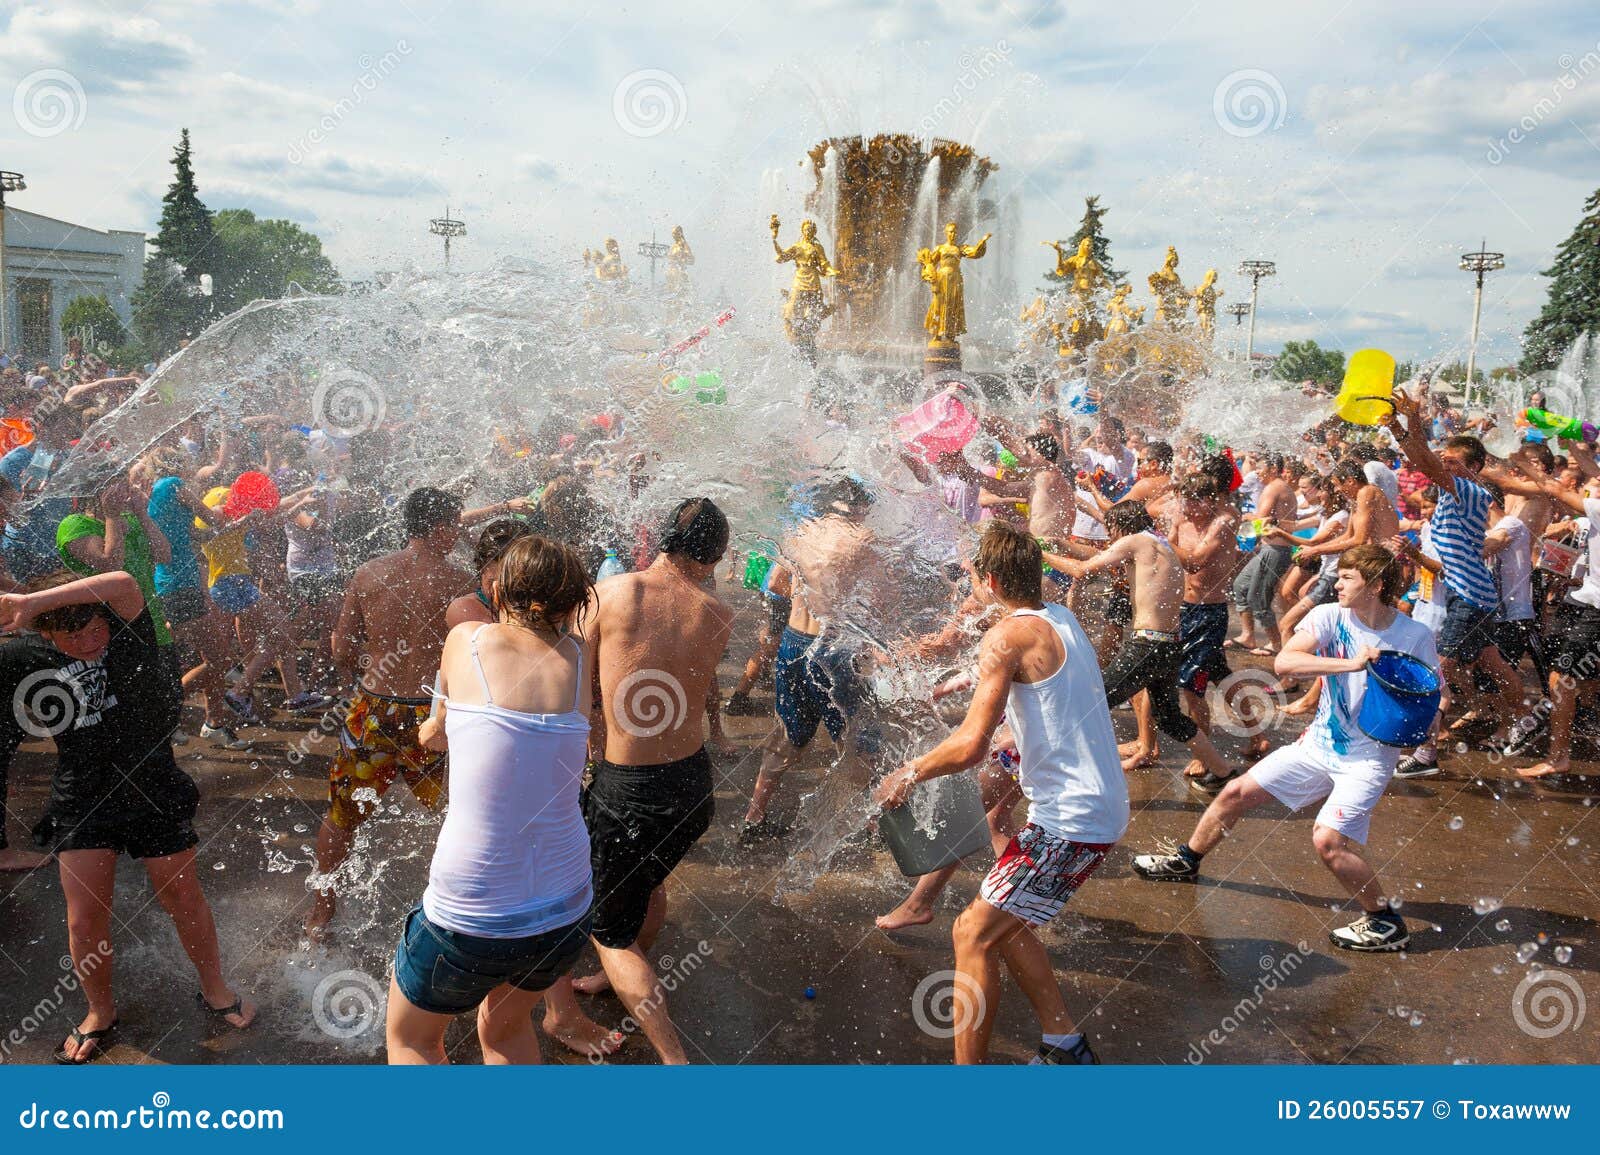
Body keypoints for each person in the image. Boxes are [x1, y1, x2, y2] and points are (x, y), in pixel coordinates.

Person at [875, 521, 1126, 1064]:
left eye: (973, 582)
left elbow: (968, 745)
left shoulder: (1006, 635)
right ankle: (1065, 1045)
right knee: (1006, 925)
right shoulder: (1058, 618)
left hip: (1071, 820)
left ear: (988, 580)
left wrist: (908, 771)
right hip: (1091, 808)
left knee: (972, 933)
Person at [0, 570, 257, 1061]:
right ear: (46, 635)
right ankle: (100, 1011)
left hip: (154, 789)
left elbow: (120, 581)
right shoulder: (29, 656)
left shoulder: (129, 635)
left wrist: (27, 601)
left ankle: (215, 988)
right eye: (73, 637)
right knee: (83, 921)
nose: (92, 641)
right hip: (83, 799)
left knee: (182, 896)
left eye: (96, 628)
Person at [1131, 545, 1436, 953]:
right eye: (1339, 575)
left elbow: (1431, 696)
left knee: (1327, 841)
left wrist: (1420, 732)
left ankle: (1384, 921)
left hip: (1367, 759)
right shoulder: (1330, 616)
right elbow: (1285, 662)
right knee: (1234, 793)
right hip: (1317, 747)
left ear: (1377, 586)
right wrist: (1351, 665)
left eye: (1348, 578)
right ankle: (1187, 860)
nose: (1337, 583)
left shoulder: (1414, 635)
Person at [385, 536, 597, 1064]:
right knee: (504, 1033)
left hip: (471, 914)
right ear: (574, 598)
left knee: (413, 1040)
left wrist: (435, 726)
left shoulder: (467, 639)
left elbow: (433, 734)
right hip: (566, 909)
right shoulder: (577, 656)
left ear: (499, 588)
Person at [569, 497, 734, 1064]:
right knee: (647, 881)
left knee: (607, 929)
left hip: (629, 789)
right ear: (715, 554)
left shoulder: (609, 594)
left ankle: (674, 1060)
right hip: (692, 786)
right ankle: (620, 972)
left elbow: (576, 690)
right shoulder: (718, 613)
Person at [305, 487, 469, 938]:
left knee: (342, 815)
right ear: (439, 528)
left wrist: (369, 669)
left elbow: (340, 648)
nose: (458, 535)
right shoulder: (460, 583)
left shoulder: (369, 572)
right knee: (460, 814)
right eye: (454, 526)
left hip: (372, 709)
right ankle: (453, 913)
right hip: (433, 716)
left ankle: (321, 913)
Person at [1045, 500, 1235, 788]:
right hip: (1170, 644)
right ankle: (1223, 772)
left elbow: (1083, 570)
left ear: (1119, 526)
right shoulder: (1156, 544)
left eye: (1110, 531)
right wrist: (1062, 544)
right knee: (1170, 718)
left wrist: (1041, 555)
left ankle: (1079, 775)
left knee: (1090, 700)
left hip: (1146, 645)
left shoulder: (1133, 541)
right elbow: (1101, 555)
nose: (1110, 538)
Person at [1229, 452, 1298, 654]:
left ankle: (1276, 644)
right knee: (1240, 585)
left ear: (1274, 469)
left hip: (1276, 550)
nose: (1257, 472)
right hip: (1270, 548)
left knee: (1258, 597)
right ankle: (1248, 636)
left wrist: (1245, 516)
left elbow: (1260, 523)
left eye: (1261, 468)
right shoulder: (1276, 487)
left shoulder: (1273, 488)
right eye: (1256, 468)